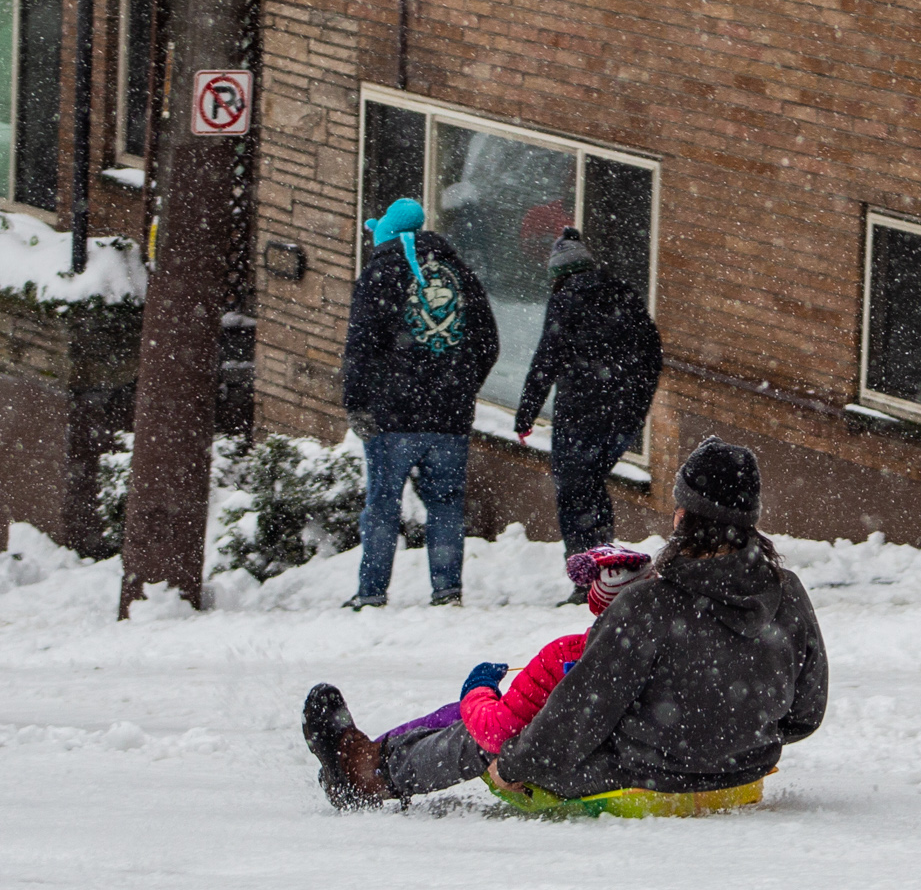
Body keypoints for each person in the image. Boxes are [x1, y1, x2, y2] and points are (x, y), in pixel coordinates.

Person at [486, 437, 826, 800]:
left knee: (484, 736)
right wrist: (738, 739)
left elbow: (583, 710)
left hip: (644, 776)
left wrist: (513, 762)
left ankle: (417, 768)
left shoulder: (649, 604)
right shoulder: (786, 591)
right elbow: (807, 711)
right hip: (745, 770)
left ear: (685, 515)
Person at [301, 546, 652, 808]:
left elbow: (496, 730)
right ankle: (377, 751)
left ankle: (369, 775)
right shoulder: (683, 644)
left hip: (603, 771)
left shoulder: (568, 656)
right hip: (680, 764)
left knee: (479, 732)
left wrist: (477, 688)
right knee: (459, 713)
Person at [340, 197, 500, 609]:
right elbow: (488, 342)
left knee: (381, 507)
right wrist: (462, 387)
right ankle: (447, 591)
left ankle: (372, 593)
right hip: (449, 417)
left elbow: (360, 347)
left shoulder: (378, 274)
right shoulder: (458, 271)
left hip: (391, 416)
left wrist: (358, 402)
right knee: (446, 506)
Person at [514, 227, 666, 597]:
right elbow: (652, 353)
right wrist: (637, 405)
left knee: (575, 495)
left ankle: (589, 579)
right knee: (591, 489)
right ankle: (605, 571)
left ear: (559, 274)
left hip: (580, 417)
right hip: (621, 416)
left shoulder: (566, 300)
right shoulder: (624, 294)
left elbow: (545, 359)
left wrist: (526, 414)